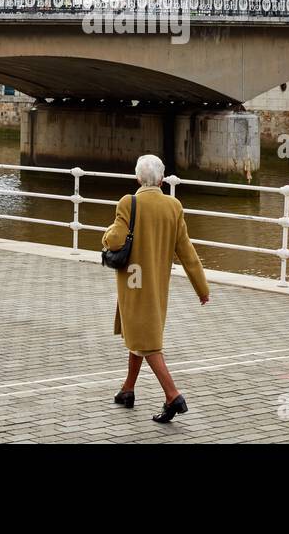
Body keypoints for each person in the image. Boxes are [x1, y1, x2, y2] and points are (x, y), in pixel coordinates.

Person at [101, 154, 210, 424]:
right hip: (156, 285)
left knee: (146, 342)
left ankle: (173, 396)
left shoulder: (129, 202)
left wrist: (105, 234)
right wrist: (201, 287)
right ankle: (128, 389)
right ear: (161, 179)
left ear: (138, 178)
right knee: (139, 333)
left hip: (133, 282)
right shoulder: (174, 206)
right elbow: (186, 251)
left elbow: (114, 240)